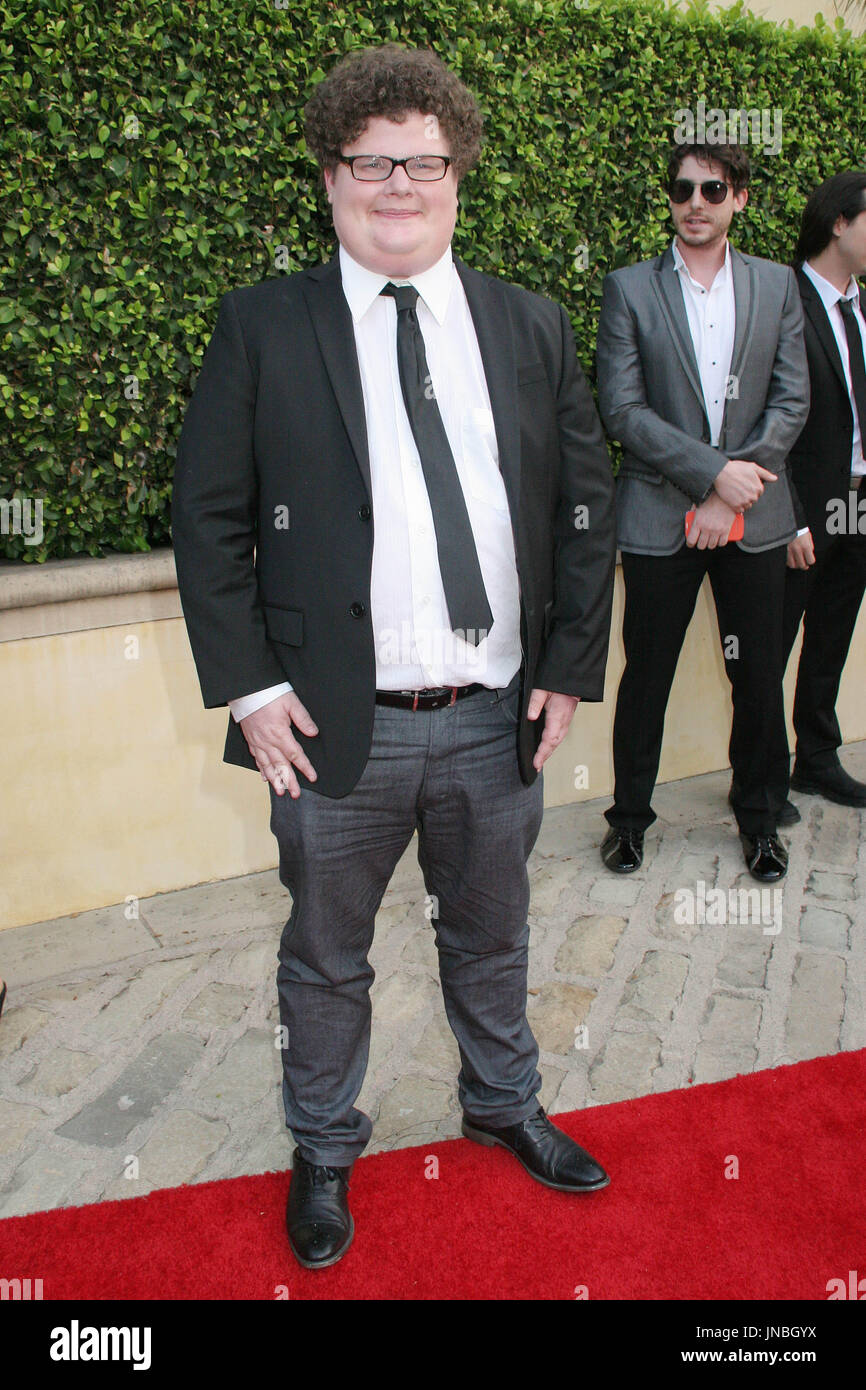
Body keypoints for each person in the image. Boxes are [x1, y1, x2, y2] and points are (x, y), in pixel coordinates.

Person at [172, 44, 617, 1270]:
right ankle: (322, 1147)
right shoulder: (262, 325)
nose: (397, 184)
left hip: (493, 713)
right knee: (326, 954)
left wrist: (569, 663)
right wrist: (251, 686)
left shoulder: (527, 324)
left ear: (457, 172)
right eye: (370, 162)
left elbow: (584, 504)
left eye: (421, 160)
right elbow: (207, 519)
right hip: (328, 725)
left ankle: (504, 1104)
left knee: (493, 930)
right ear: (329, 179)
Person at [595, 142, 809, 884]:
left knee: (756, 681)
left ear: (738, 198)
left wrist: (735, 489)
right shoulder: (629, 289)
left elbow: (792, 398)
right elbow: (623, 409)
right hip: (661, 514)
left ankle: (760, 820)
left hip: (755, 520)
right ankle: (627, 821)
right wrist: (713, 478)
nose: (695, 201)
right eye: (682, 187)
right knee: (646, 675)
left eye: (712, 188)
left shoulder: (778, 286)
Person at [768, 172, 866, 809]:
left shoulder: (862, 307)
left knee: (832, 635)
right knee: (766, 652)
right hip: (802, 506)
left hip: (858, 500)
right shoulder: (782, 297)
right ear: (840, 222)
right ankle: (762, 776)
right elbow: (763, 416)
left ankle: (817, 759)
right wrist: (792, 517)